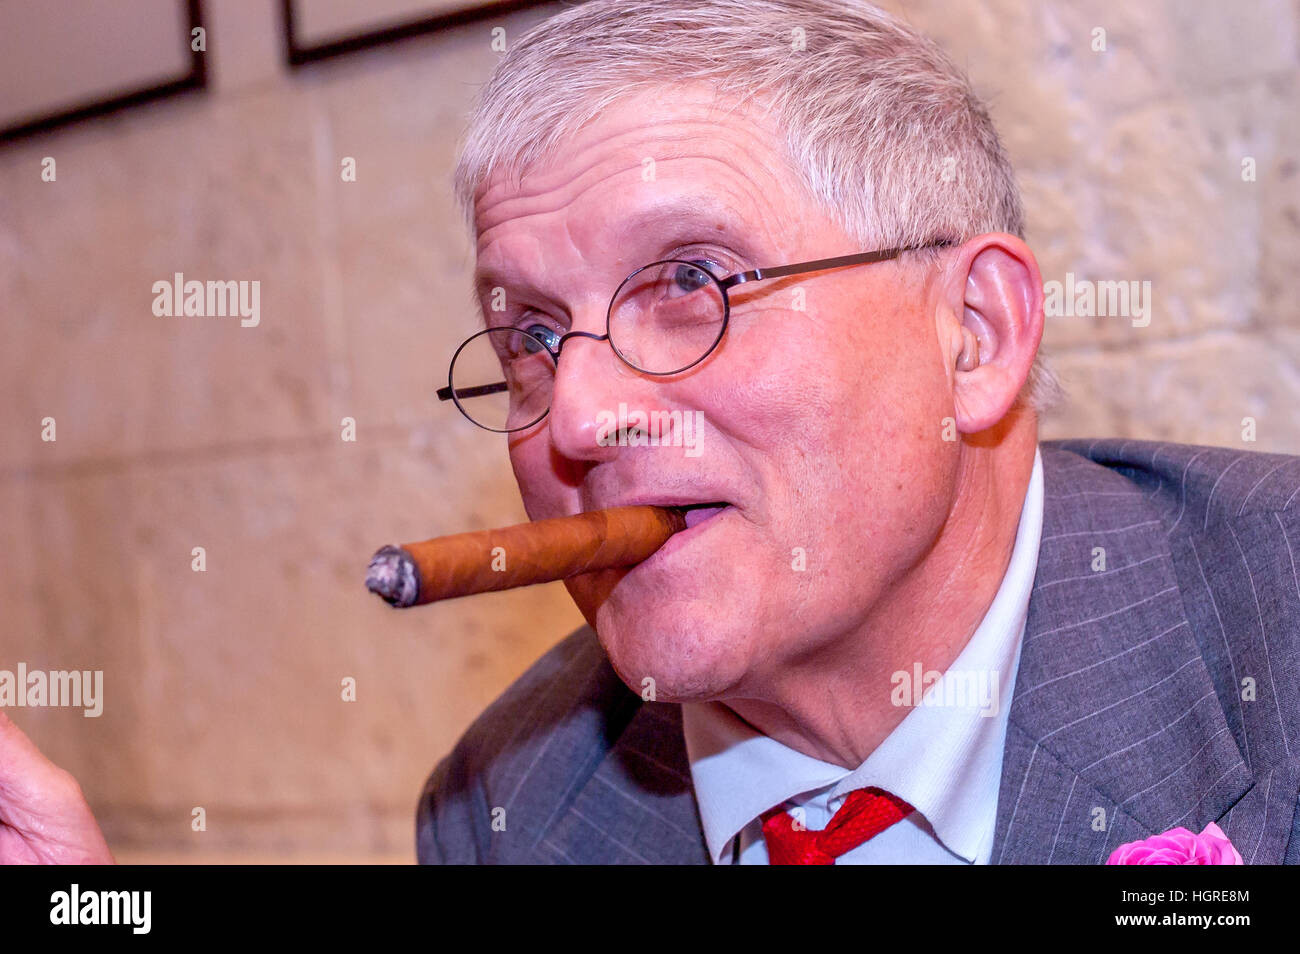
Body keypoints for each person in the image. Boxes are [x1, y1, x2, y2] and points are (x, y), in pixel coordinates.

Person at [5, 0, 1297, 867]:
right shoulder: (504, 818)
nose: (571, 416)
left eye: (690, 284)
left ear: (974, 334)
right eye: (529, 334)